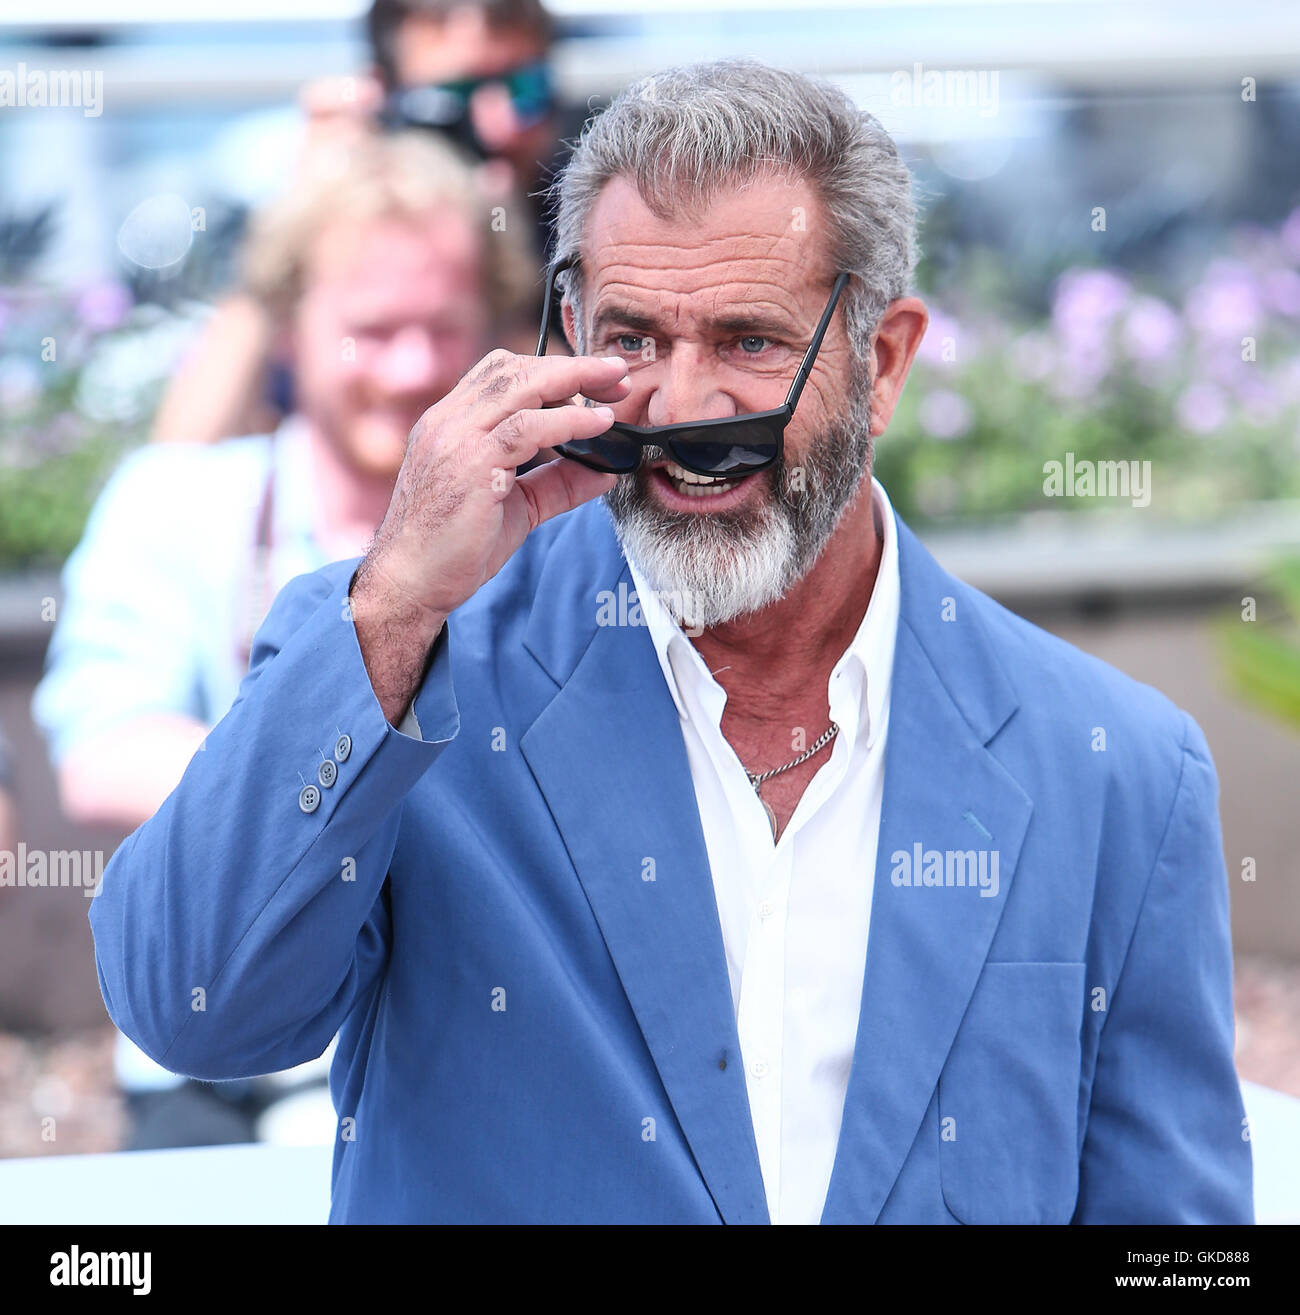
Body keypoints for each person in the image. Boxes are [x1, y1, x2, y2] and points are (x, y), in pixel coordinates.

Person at [88, 60, 1253, 1222]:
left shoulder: (1114, 769)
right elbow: (192, 1004)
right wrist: (393, 605)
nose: (686, 409)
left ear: (883, 362)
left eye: (748, 341)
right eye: (635, 338)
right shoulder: (417, 668)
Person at [34, 130, 535, 1147]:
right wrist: (368, 783)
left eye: (443, 328)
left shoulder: (547, 524)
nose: (410, 368)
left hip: (470, 1053)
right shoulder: (178, 501)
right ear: (285, 329)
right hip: (223, 1059)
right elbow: (99, 752)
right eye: (371, 330)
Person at [150, 0, 579, 448]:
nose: (500, 126)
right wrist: (298, 222)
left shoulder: (583, 200)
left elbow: (594, 446)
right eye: (457, 98)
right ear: (385, 100)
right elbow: (184, 453)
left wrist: (494, 258)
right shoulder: (339, 228)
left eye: (526, 89)